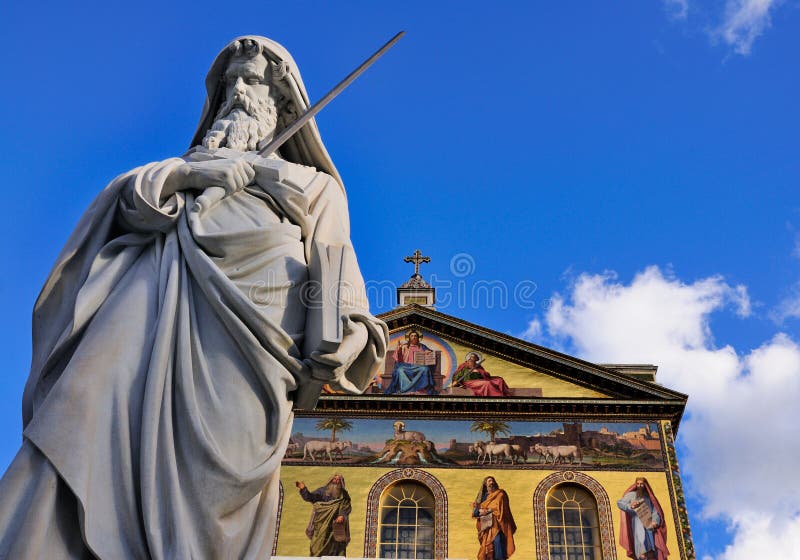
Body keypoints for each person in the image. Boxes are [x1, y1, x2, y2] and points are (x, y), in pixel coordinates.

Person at [0, 36, 387, 558]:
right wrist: (190, 172)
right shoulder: (179, 171)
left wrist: (351, 329)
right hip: (154, 300)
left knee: (216, 476)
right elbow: (122, 206)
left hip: (252, 339)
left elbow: (338, 267)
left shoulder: (313, 186)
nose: (238, 93)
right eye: (230, 83)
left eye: (251, 81)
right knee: (82, 401)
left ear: (283, 103)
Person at [296, 474, 351, 556]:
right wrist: (303, 489)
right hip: (321, 523)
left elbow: (346, 505)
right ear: (331, 480)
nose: (336, 481)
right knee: (317, 546)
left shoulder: (344, 494)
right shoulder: (322, 491)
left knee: (336, 547)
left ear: (341, 482)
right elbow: (310, 497)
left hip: (335, 525)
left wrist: (342, 515)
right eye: (334, 478)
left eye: (339, 479)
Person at [617, 477, 669, 560]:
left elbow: (656, 510)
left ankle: (650, 554)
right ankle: (641, 554)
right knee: (640, 536)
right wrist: (630, 506)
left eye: (641, 484)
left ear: (645, 485)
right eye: (638, 484)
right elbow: (620, 503)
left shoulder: (649, 497)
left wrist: (655, 521)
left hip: (649, 521)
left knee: (651, 540)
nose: (640, 486)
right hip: (637, 519)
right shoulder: (631, 495)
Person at [472, 476, 516, 560]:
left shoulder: (500, 494)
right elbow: (476, 512)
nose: (491, 483)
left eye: (492, 481)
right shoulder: (484, 497)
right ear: (485, 484)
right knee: (488, 546)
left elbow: (501, 507)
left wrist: (488, 510)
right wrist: (480, 511)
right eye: (489, 481)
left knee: (498, 541)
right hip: (486, 524)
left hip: (499, 523)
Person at [384, 329, 435, 394]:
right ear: (409, 338)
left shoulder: (422, 346)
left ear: (418, 338)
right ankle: (405, 390)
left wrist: (428, 352)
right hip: (406, 366)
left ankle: (420, 389)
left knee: (425, 369)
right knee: (399, 370)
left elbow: (430, 353)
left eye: (415, 336)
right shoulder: (404, 346)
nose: (414, 337)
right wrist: (399, 350)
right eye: (412, 336)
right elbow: (399, 360)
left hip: (418, 366)